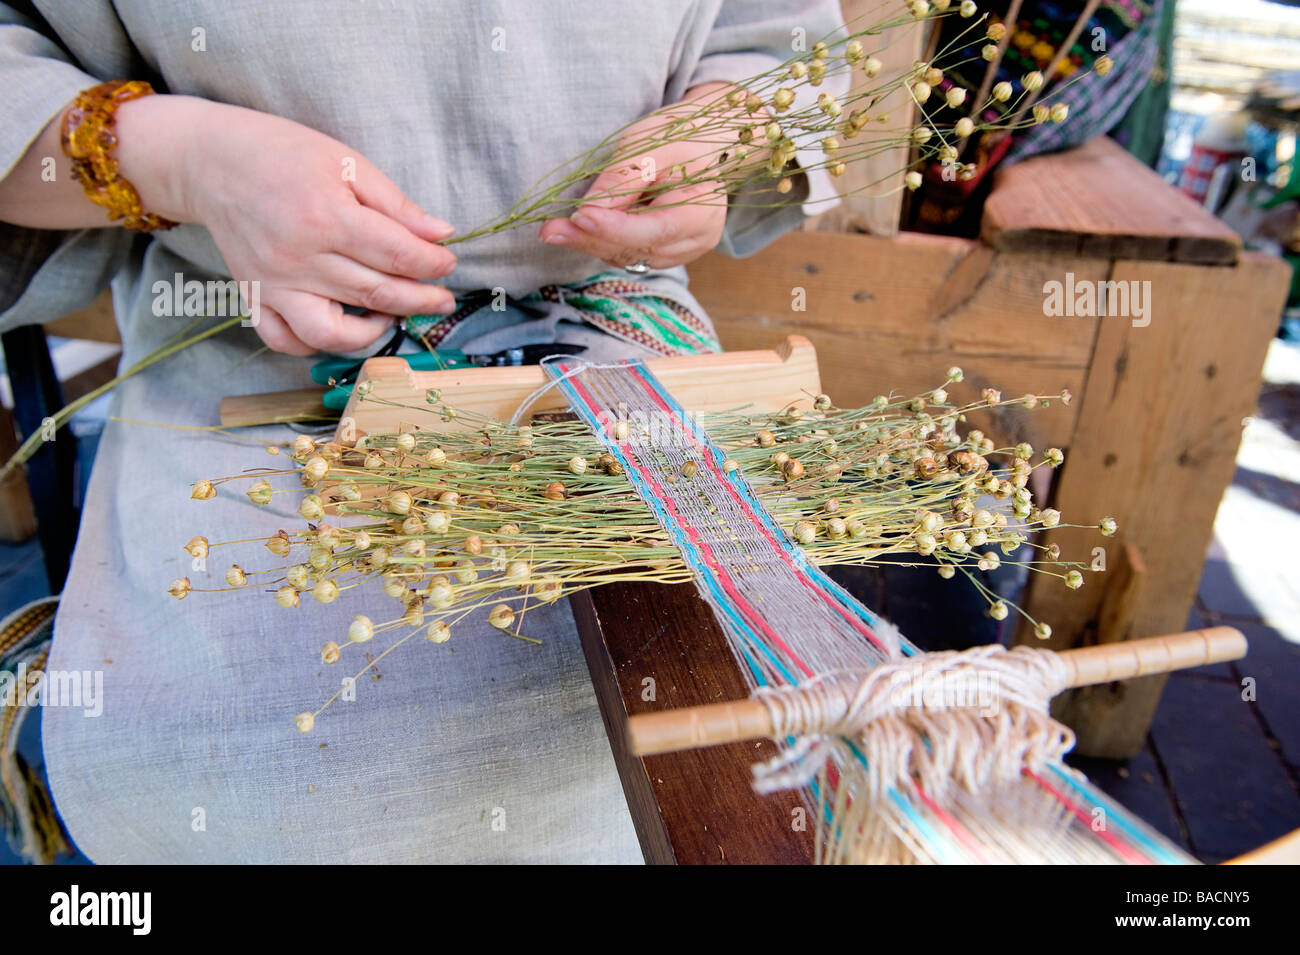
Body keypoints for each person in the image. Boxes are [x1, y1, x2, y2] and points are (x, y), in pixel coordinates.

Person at [0, 0, 844, 862]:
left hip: (625, 348)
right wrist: (189, 160)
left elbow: (775, 44)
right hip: (267, 340)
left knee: (752, 747)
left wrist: (714, 139)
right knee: (215, 769)